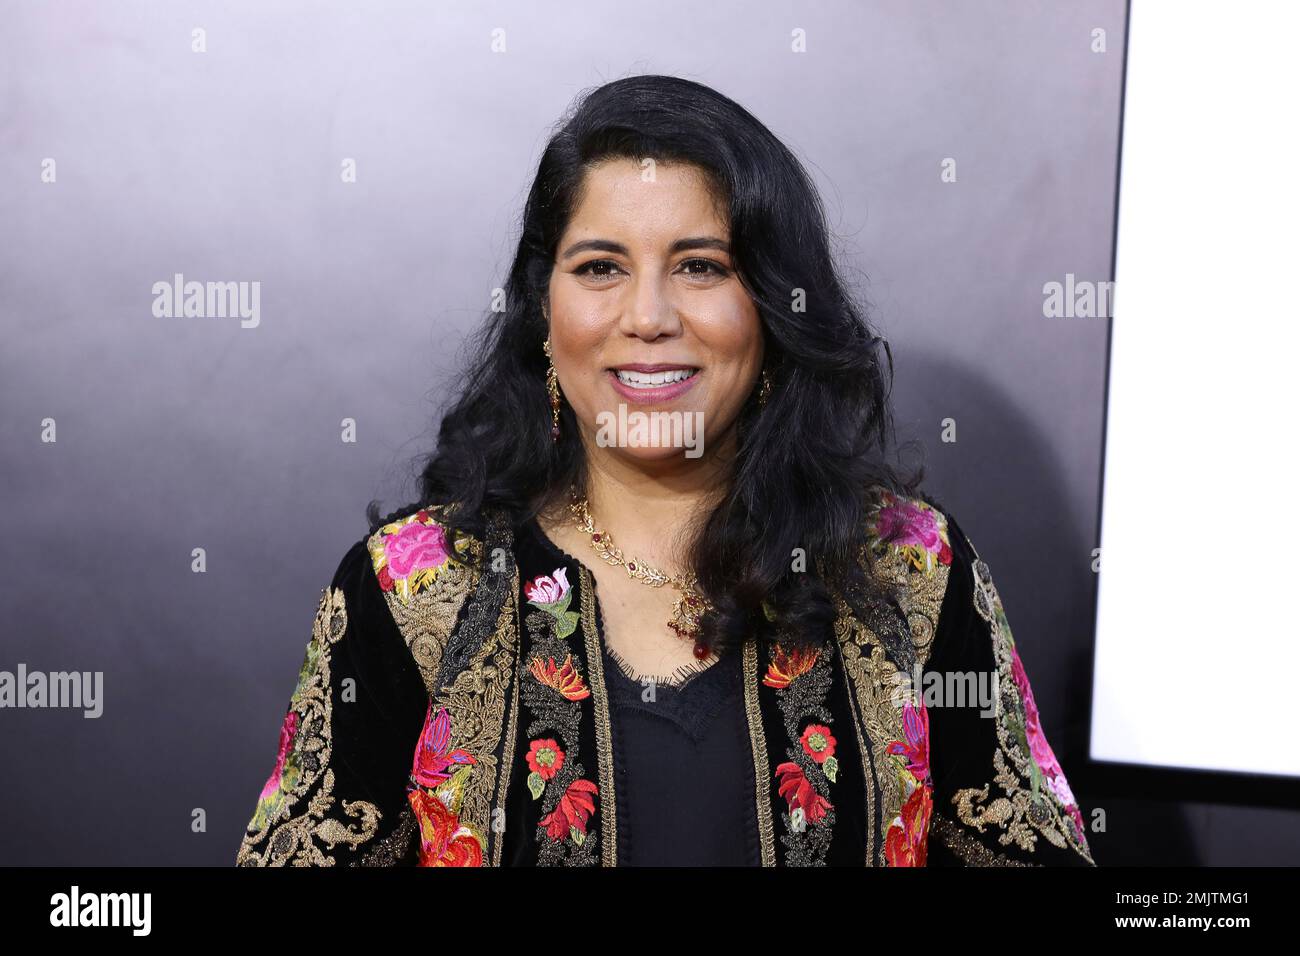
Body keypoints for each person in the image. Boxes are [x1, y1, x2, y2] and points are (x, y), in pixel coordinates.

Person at [234, 74, 1095, 867]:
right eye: (600, 267)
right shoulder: (414, 589)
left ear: (773, 309)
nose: (647, 316)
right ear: (544, 311)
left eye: (701, 267)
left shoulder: (909, 570)